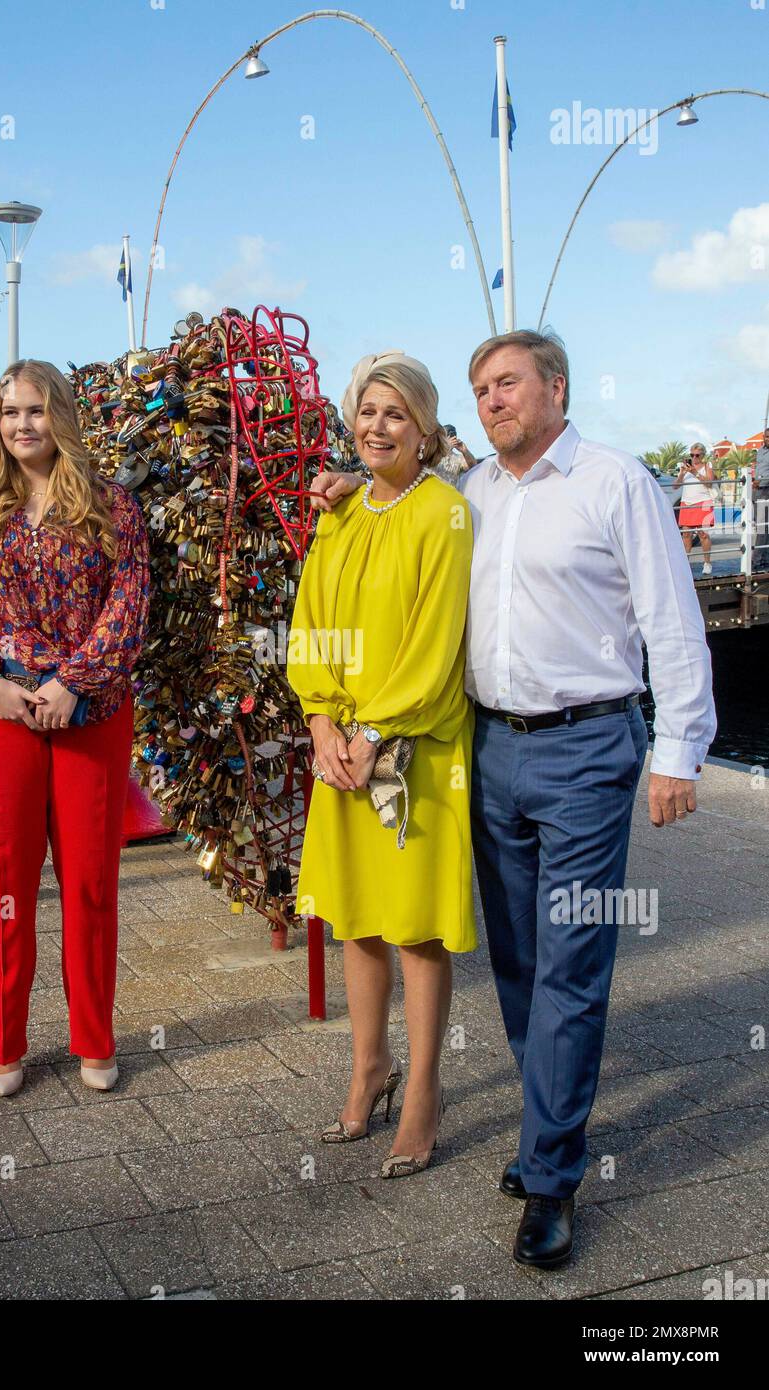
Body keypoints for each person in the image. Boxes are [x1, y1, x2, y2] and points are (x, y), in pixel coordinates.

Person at [309, 330, 716, 1268]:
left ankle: (552, 1176)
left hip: (587, 748)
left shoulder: (615, 483)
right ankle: (547, 1132)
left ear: (556, 388)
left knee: (573, 962)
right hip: (487, 750)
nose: (493, 400)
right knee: (522, 964)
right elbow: (392, 485)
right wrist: (337, 477)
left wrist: (679, 752)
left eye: (508, 384)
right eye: (481, 389)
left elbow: (670, 620)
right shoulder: (471, 495)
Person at [0, 359, 150, 1098]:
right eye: (10, 411)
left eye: (36, 410)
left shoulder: (113, 507)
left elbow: (128, 607)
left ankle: (95, 1038)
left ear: (62, 416)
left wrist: (69, 683)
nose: (23, 424)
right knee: (2, 885)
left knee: (90, 885)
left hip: (88, 714)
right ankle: (4, 1044)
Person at [287, 351, 475, 1179]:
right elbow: (312, 621)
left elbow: (439, 641)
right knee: (355, 913)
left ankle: (425, 1086)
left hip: (418, 749)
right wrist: (322, 722)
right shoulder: (342, 514)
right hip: (342, 750)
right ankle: (370, 1065)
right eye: (367, 412)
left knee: (417, 925)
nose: (377, 426)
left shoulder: (445, 514)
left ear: (425, 428)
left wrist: (374, 732)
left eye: (395, 414)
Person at [673, 444, 716, 575]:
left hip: (702, 503)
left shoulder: (707, 466)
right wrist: (682, 473)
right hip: (687, 503)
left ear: (703, 455)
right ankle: (686, 563)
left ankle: (707, 563)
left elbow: (709, 483)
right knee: (686, 534)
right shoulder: (686, 469)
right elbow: (675, 486)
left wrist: (695, 473)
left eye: (697, 455)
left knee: (703, 534)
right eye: (692, 455)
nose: (694, 458)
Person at [754, 428, 769, 571]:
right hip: (758, 490)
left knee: (764, 526)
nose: (768, 439)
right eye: (766, 437)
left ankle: (759, 559)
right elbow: (758, 469)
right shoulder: (760, 452)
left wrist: (762, 480)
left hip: (767, 488)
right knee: (761, 526)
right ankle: (761, 559)